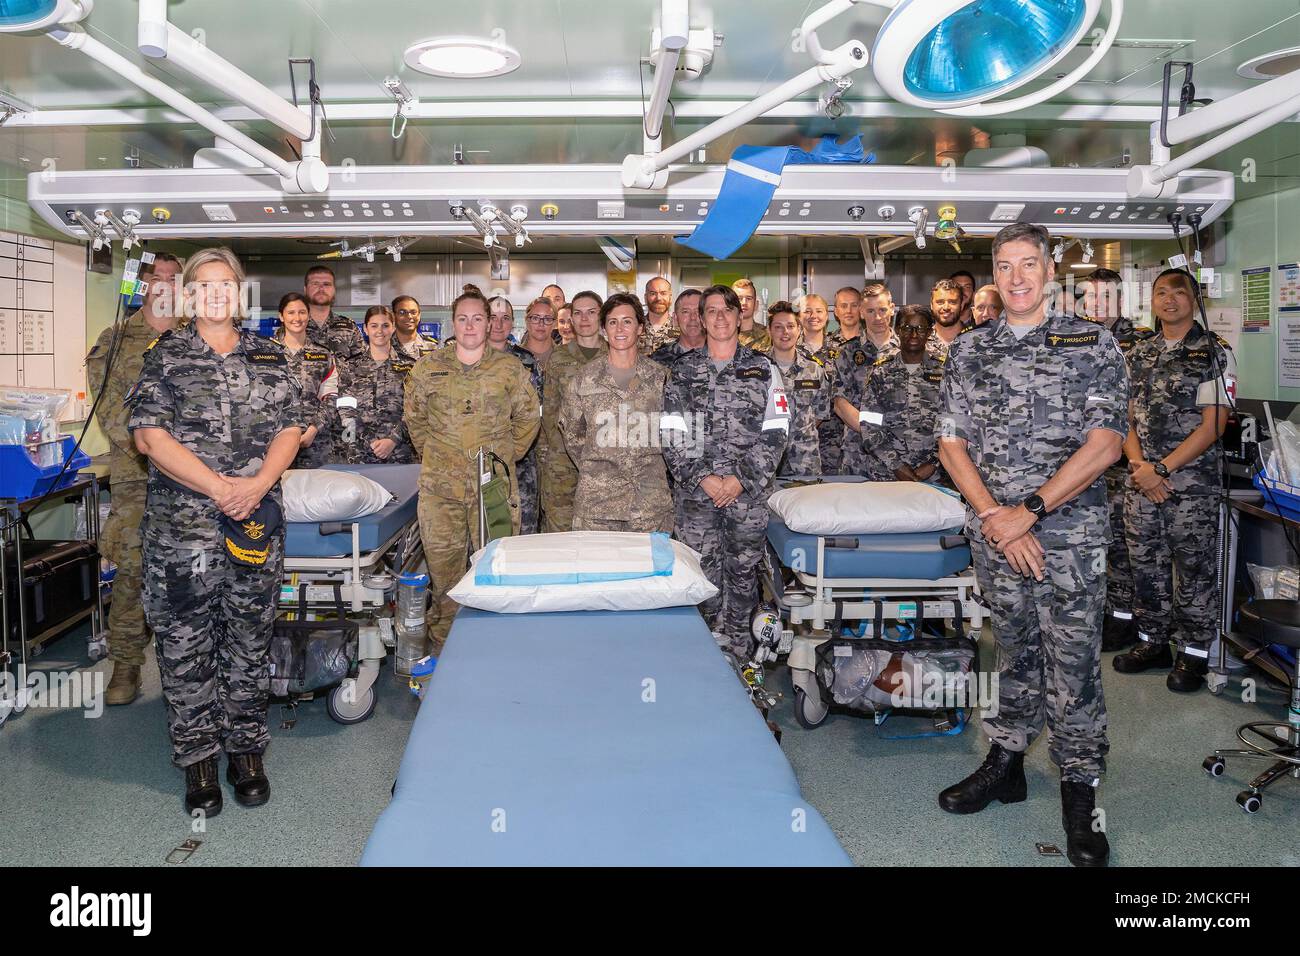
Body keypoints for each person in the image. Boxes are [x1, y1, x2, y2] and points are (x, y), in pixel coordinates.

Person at [934, 222, 1128, 868]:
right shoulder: (969, 351)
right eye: (1005, 266)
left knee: (1072, 668)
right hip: (996, 533)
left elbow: (1105, 445)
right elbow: (951, 444)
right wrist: (995, 516)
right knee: (1013, 652)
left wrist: (1031, 512)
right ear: (994, 275)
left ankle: (1080, 796)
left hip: (1067, 536)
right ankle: (1007, 763)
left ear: (1049, 273)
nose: (1017, 278)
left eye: (1028, 265)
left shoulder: (1092, 344)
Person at [128, 246, 305, 816]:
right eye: (203, 285)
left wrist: (255, 487)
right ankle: (198, 759)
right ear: (188, 295)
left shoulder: (271, 356)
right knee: (185, 647)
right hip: (183, 532)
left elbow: (291, 428)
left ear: (240, 291)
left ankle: (246, 751)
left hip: (253, 525)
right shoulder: (165, 357)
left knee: (250, 639)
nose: (215, 293)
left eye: (225, 283)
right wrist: (219, 487)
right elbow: (149, 438)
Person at [1112, 269, 1235, 692]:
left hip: (1191, 486)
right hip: (1140, 481)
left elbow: (1214, 424)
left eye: (1178, 293)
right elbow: (1122, 418)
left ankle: (1194, 653)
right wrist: (1140, 466)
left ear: (1195, 299)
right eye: (1161, 292)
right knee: (1144, 565)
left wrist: (1161, 469)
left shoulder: (1214, 352)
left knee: (1194, 567)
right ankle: (1153, 642)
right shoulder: (1138, 353)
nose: (1169, 300)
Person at [403, 285, 541, 654]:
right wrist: (438, 455)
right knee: (444, 573)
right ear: (453, 322)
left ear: (489, 323)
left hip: (492, 489)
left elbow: (529, 418)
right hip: (440, 491)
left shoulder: (509, 369)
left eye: (477, 318)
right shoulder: (428, 367)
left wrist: (503, 458)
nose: (469, 326)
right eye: (462, 319)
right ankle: (445, 649)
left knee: (494, 568)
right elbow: (414, 420)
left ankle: (494, 648)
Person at [662, 285, 789, 660]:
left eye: (727, 310)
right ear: (700, 319)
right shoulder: (682, 371)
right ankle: (699, 658)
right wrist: (704, 477)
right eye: (711, 311)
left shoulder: (765, 369)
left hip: (746, 497)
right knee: (699, 578)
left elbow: (778, 430)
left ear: (739, 317)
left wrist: (739, 479)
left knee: (744, 577)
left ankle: (742, 659)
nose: (719, 317)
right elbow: (671, 431)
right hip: (696, 497)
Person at [85, 252, 184, 706]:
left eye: (171, 278)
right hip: (137, 475)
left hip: (193, 479)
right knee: (133, 568)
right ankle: (125, 665)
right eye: (155, 278)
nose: (163, 285)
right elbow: (109, 409)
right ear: (142, 285)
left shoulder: (194, 336)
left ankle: (185, 667)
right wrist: (153, 451)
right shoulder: (118, 338)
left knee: (191, 570)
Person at [1077, 268, 1153, 651]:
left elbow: (1136, 407)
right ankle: (1103, 615)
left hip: (1129, 465)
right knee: (1095, 548)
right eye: (1091, 297)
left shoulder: (1142, 342)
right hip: (1086, 465)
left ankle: (1129, 621)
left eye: (1106, 296)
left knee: (1130, 550)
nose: (1098, 304)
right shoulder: (1072, 339)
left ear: (1120, 300)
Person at [559, 293, 673, 532]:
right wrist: (601, 470)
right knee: (597, 569)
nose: (620, 328)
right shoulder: (584, 379)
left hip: (648, 505)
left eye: (627, 321)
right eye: (612, 322)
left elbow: (672, 437)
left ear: (640, 328)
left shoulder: (661, 377)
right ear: (603, 329)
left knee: (649, 569)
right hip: (597, 505)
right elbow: (572, 436)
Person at [539, 291, 608, 532]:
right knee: (560, 536)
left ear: (602, 316)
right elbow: (549, 411)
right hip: (562, 463)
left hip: (606, 463)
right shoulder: (558, 358)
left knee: (602, 538)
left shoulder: (617, 356)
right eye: (577, 313)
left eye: (591, 312)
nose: (584, 318)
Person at [858, 305, 946, 484]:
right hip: (886, 474)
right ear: (897, 330)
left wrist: (934, 463)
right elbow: (869, 425)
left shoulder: (945, 372)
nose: (913, 335)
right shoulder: (880, 372)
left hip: (934, 475)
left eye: (920, 329)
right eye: (907, 328)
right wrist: (896, 465)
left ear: (930, 332)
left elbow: (953, 422)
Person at [489, 295, 545, 535]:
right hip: (480, 462)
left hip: (519, 462)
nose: (498, 324)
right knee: (485, 534)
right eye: (492, 317)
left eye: (505, 318)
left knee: (524, 532)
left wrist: (514, 449)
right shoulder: (469, 360)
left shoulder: (526, 360)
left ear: (513, 323)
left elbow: (534, 412)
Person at [335, 306, 416, 464]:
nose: (380, 330)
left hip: (400, 452)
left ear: (393, 328)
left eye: (385, 325)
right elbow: (345, 409)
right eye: (374, 325)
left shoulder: (410, 366)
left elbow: (416, 409)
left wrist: (393, 439)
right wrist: (371, 441)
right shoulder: (351, 366)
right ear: (365, 329)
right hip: (360, 452)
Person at [833, 282, 898, 476]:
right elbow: (839, 403)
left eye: (882, 310)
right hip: (858, 453)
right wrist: (873, 434)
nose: (877, 317)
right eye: (870, 311)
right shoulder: (847, 352)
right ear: (861, 312)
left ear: (892, 309)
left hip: (898, 452)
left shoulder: (907, 350)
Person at [272, 292, 339, 469]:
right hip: (275, 444)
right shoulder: (267, 353)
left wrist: (313, 429)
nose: (297, 318)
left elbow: (331, 397)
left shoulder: (323, 355)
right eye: (291, 312)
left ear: (308, 315)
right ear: (281, 316)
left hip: (316, 445)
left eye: (302, 312)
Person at [767, 303, 826, 475]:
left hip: (805, 459)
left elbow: (819, 413)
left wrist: (797, 431)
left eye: (790, 326)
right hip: (766, 459)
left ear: (799, 330)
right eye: (778, 327)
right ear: (769, 331)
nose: (785, 332)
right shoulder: (757, 370)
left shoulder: (814, 370)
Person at [798, 293, 843, 473]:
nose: (813, 316)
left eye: (819, 311)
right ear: (799, 316)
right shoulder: (791, 351)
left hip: (834, 439)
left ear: (827, 315)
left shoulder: (841, 351)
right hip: (798, 440)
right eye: (807, 311)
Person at [303, 265, 365, 364]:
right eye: (315, 284)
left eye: (327, 284)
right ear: (305, 289)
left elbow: (361, 367)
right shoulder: (294, 325)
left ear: (334, 290)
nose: (321, 288)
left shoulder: (349, 328)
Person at [650, 288, 705, 367]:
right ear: (675, 318)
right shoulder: (657, 359)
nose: (693, 317)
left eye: (698, 311)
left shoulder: (722, 355)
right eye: (685, 312)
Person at [391, 295, 439, 361]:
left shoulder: (432, 347)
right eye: (402, 312)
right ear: (393, 316)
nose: (409, 316)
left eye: (413, 312)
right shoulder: (383, 346)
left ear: (419, 316)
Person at [639, 276, 678, 354]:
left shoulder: (680, 330)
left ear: (670, 298)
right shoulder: (635, 327)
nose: (658, 298)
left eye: (663, 293)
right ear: (645, 298)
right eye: (653, 293)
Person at [733, 277, 772, 353]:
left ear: (756, 305)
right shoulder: (721, 334)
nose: (744, 303)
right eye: (739, 298)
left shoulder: (769, 335)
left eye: (749, 298)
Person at [927, 279, 964, 360]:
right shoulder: (919, 342)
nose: (946, 307)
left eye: (952, 302)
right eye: (940, 302)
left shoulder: (976, 339)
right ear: (931, 305)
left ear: (961, 305)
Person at [519, 296, 558, 370]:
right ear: (527, 321)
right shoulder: (513, 357)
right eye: (535, 318)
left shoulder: (566, 357)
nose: (541, 324)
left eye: (547, 319)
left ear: (554, 324)